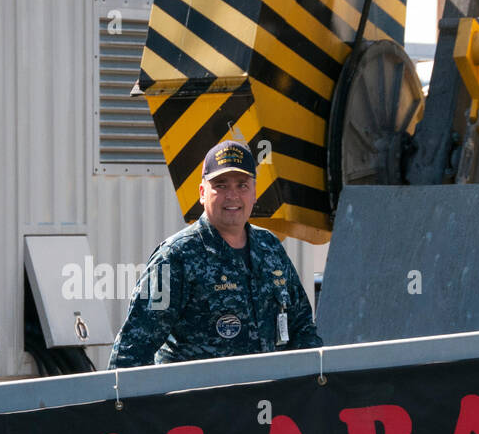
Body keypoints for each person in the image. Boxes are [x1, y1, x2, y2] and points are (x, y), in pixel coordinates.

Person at [109, 140, 322, 367]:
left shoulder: (270, 247)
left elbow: (302, 329)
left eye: (242, 185)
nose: (232, 195)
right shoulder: (175, 257)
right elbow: (130, 353)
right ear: (202, 193)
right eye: (220, 185)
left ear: (254, 194)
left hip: (267, 397)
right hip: (199, 400)